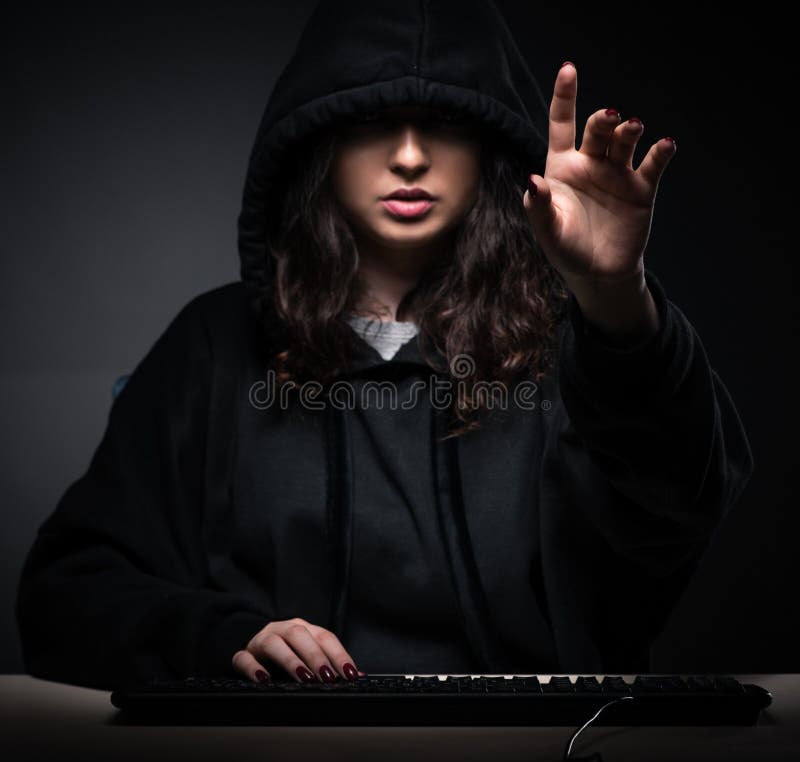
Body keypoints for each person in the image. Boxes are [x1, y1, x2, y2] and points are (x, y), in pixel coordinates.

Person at [15, 0, 753, 691]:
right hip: (266, 754)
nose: (408, 156)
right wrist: (223, 638)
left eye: (442, 123)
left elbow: (683, 507)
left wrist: (615, 296)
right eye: (373, 122)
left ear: (490, 146)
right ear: (319, 142)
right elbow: (66, 597)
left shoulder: (578, 348)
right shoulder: (212, 347)